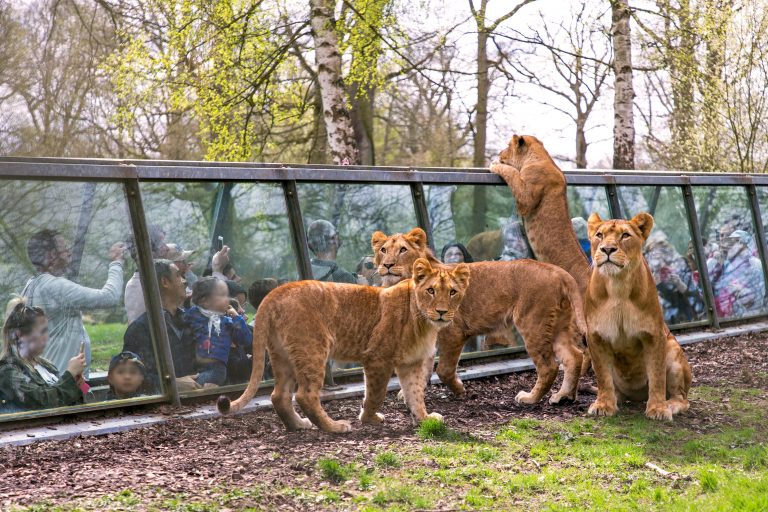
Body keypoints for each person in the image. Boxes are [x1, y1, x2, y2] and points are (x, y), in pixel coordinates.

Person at [23, 229, 125, 378]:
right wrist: (116, 262)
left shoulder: (31, 284)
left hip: (51, 380)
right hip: (62, 385)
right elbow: (109, 297)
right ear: (51, 255)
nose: (69, 253)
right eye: (65, 249)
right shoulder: (54, 286)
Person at [123, 260, 200, 392]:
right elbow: (130, 379)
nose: (185, 281)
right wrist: (170, 384)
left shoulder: (190, 320)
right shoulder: (140, 329)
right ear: (165, 282)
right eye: (178, 275)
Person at [0, 300, 84, 412]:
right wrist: (70, 375)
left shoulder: (47, 366)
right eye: (42, 331)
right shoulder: (8, 371)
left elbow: (81, 397)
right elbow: (44, 404)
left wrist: (80, 385)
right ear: (20, 335)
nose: (47, 337)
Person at [184, 277, 251, 387]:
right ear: (204, 300)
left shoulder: (227, 322)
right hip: (195, 366)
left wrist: (237, 318)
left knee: (206, 381)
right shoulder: (193, 314)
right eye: (222, 295)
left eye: (227, 295)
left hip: (217, 369)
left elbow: (245, 340)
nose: (227, 299)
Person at [708, 229, 766, 318]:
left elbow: (759, 300)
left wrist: (740, 290)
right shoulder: (731, 265)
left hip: (752, 319)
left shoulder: (755, 264)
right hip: (734, 319)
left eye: (733, 243)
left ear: (742, 244)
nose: (730, 246)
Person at [124, 224, 168, 324]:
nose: (167, 248)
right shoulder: (140, 286)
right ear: (149, 251)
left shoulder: (152, 280)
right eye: (161, 243)